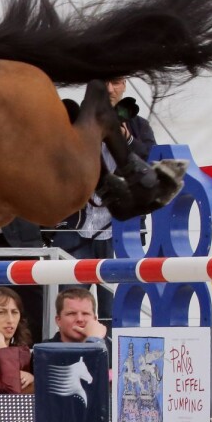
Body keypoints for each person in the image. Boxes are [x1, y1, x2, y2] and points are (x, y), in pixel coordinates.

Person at [52, 77, 157, 327]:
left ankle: (112, 364)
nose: (111, 89)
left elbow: (150, 170)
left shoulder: (138, 126)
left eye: (117, 82)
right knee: (72, 308)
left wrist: (126, 140)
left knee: (116, 310)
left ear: (125, 86)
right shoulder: (73, 121)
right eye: (105, 82)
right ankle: (74, 360)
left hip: (119, 231)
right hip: (77, 228)